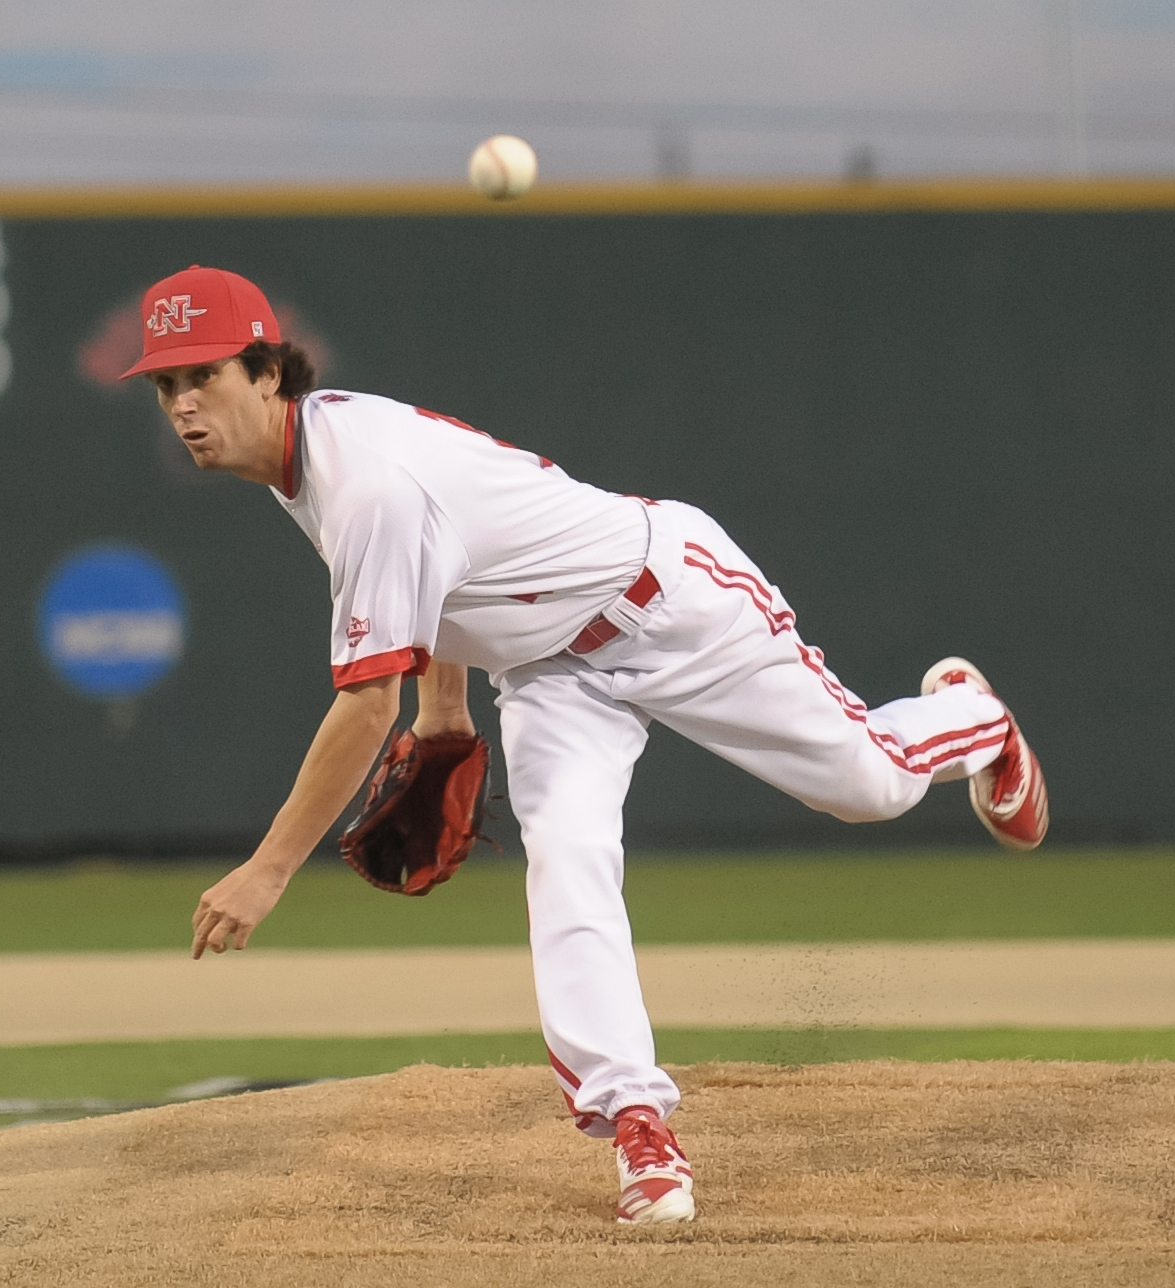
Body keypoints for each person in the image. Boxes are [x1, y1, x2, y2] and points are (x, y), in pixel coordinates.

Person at [133, 265, 1048, 1225]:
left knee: (869, 784)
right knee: (568, 859)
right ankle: (639, 1127)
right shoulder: (313, 459)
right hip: (548, 675)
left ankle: (971, 721)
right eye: (166, 385)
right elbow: (437, 582)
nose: (185, 404)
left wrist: (268, 870)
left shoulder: (363, 485)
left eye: (206, 376)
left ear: (270, 372)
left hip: (673, 605)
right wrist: (445, 715)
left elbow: (365, 704)